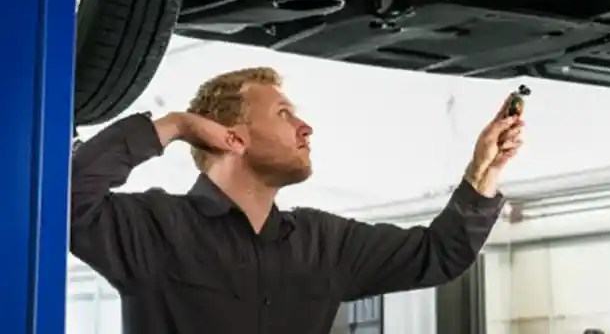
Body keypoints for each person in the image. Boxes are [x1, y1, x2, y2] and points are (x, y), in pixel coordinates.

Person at [69, 66, 524, 334]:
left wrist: (483, 170)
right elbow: (66, 198)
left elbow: (438, 254)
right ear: (232, 137)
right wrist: (174, 125)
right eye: (285, 115)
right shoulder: (155, 229)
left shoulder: (324, 243)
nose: (305, 128)